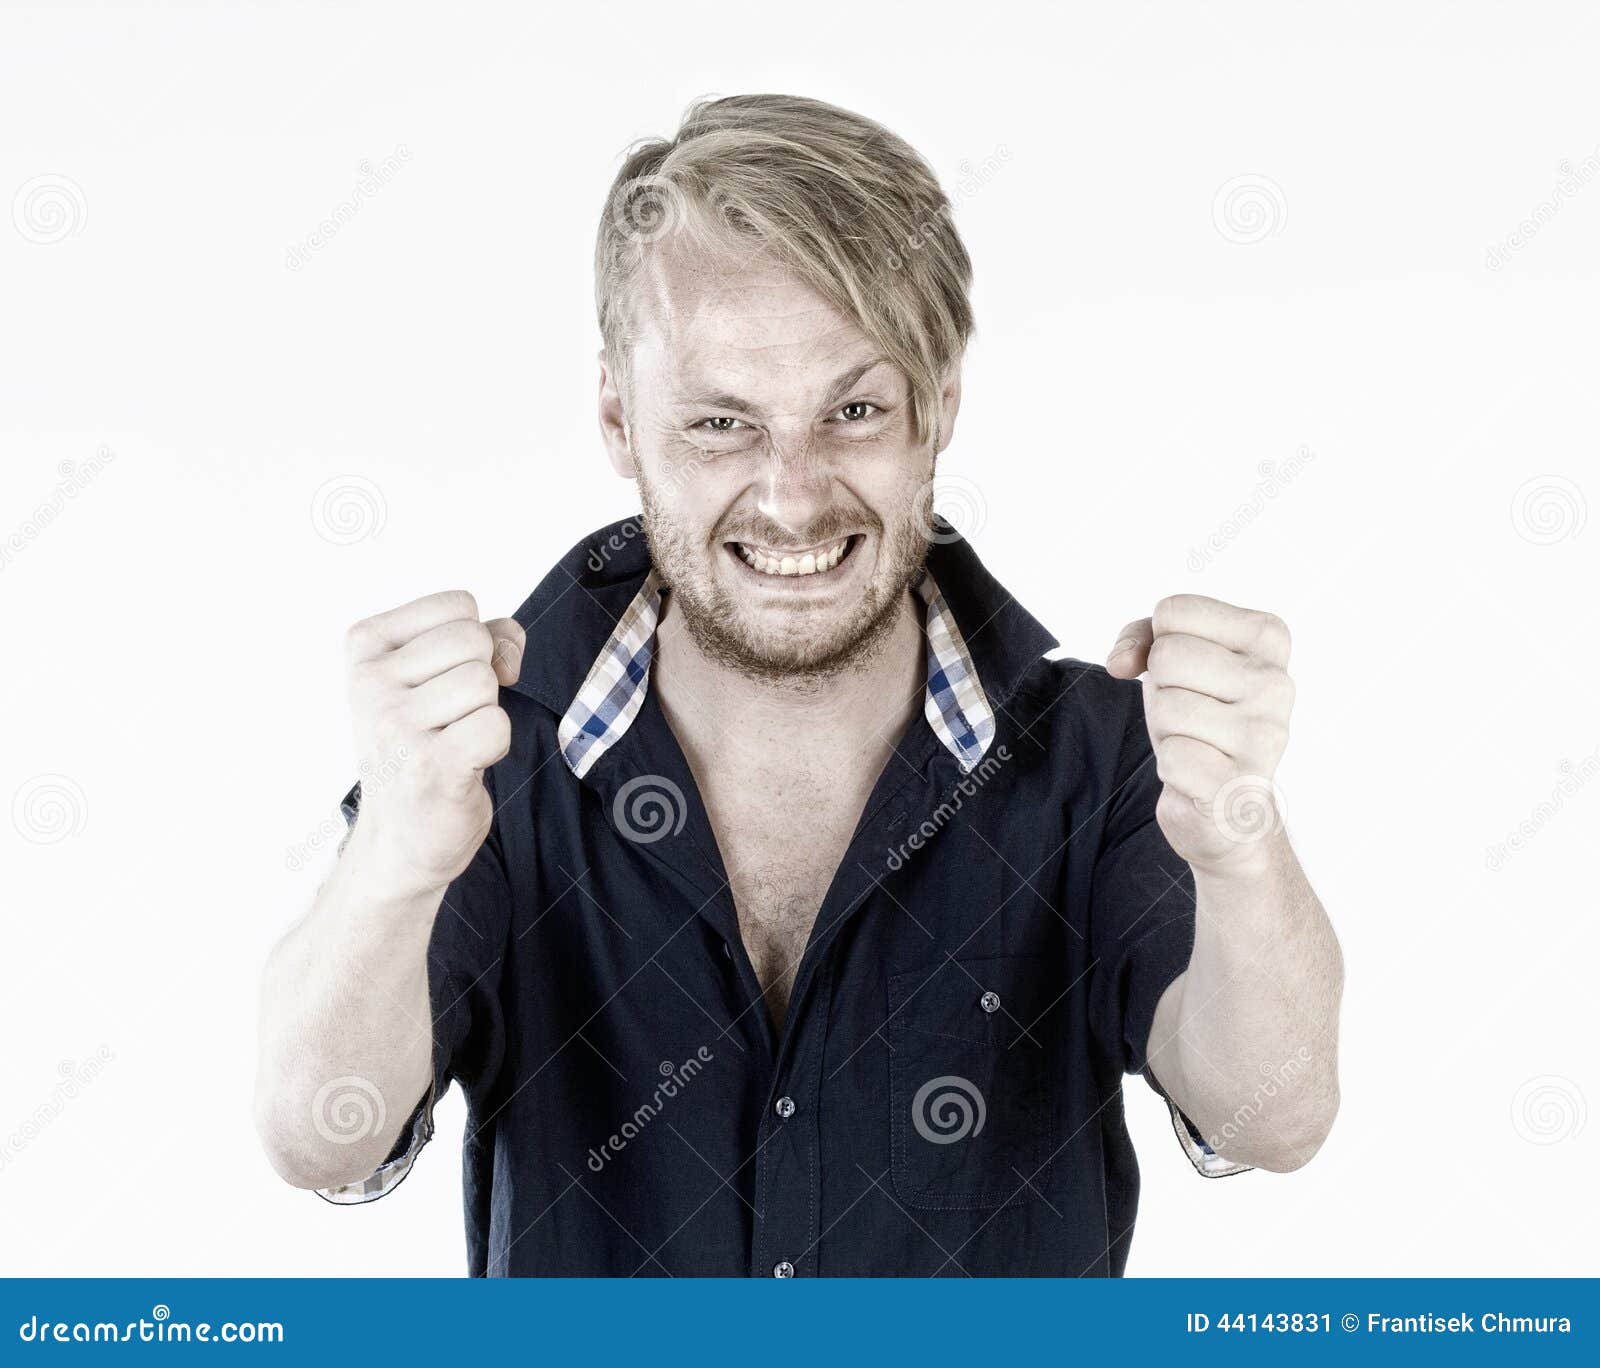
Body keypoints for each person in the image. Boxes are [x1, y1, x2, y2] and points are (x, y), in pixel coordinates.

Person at [254, 94, 1343, 1276]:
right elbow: (320, 1139)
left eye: (855, 411)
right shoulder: (486, 762)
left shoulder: (1099, 756)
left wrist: (1239, 848)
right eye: (720, 423)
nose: (791, 495)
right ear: (621, 418)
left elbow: (1268, 1120)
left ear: (940, 408)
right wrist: (397, 863)